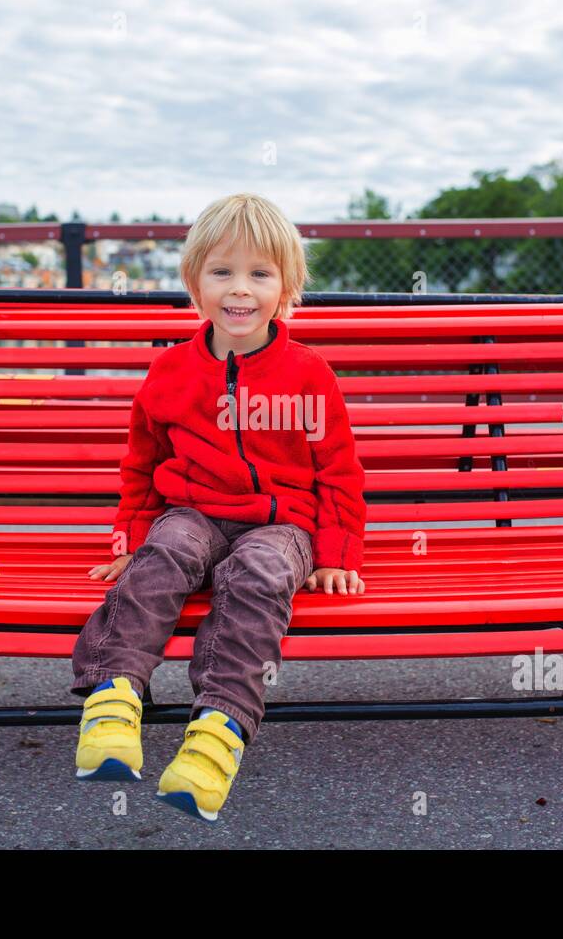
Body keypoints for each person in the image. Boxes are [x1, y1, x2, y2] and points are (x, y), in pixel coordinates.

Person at [69, 192, 367, 822]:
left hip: (283, 525)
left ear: (287, 287)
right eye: (222, 271)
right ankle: (114, 697)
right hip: (193, 513)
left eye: (260, 274)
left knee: (256, 577)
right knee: (165, 552)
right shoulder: (170, 372)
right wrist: (131, 539)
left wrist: (335, 553)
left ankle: (217, 730)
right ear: (193, 282)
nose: (240, 289)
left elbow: (339, 473)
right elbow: (143, 467)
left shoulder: (310, 375)